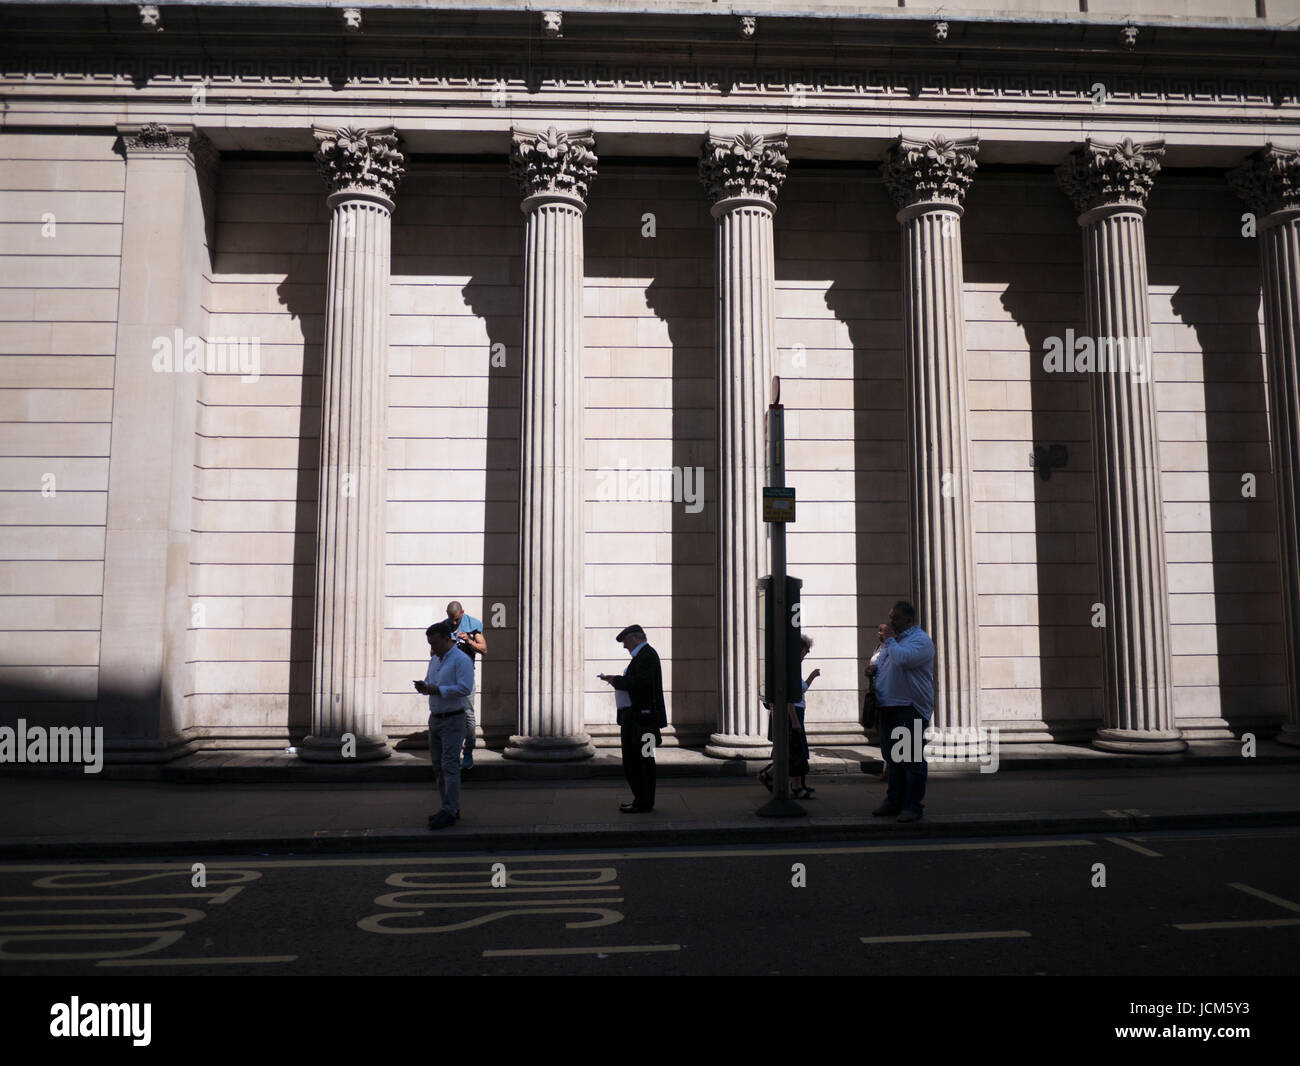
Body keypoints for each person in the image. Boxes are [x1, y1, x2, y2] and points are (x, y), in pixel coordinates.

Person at [866, 601, 934, 822]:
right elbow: (882, 661)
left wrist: (890, 640)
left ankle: (913, 806)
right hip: (889, 707)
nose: (890, 621)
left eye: (895, 618)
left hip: (909, 708)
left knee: (912, 760)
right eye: (890, 616)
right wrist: (874, 667)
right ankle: (894, 801)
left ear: (908, 620)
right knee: (894, 759)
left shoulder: (920, 640)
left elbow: (904, 660)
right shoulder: (894, 641)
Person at [597, 624, 666, 813]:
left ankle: (643, 802)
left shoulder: (646, 656)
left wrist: (615, 680)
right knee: (642, 760)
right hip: (641, 721)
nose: (624, 646)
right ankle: (643, 800)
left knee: (638, 761)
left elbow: (640, 684)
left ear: (636, 638)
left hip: (642, 721)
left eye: (626, 641)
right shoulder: (644, 656)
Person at [414, 621, 474, 829]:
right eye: (430, 643)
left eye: (436, 643)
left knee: (449, 766)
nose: (433, 647)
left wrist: (438, 690)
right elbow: (430, 681)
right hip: (436, 718)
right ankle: (448, 807)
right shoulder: (434, 661)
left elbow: (465, 688)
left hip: (454, 718)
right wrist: (424, 687)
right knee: (438, 767)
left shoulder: (461, 660)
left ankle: (449, 810)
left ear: (449, 639)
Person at [758, 634, 819, 798]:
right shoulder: (789, 667)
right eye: (805, 652)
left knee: (794, 751)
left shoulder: (789, 666)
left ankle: (797, 785)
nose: (806, 656)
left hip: (792, 713)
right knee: (793, 751)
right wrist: (795, 721)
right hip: (792, 714)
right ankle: (773, 777)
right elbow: (789, 699)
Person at [445, 601, 486, 769]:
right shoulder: (443, 627)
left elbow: (484, 649)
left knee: (468, 715)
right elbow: (433, 652)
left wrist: (468, 640)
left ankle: (468, 752)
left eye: (456, 619)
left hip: (466, 678)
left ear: (462, 612)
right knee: (449, 716)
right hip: (448, 678)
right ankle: (452, 752)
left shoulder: (473, 624)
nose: (454, 623)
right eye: (451, 620)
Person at [866, 624, 889, 781]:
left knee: (886, 734)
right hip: (876, 694)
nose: (878, 633)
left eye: (881, 630)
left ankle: (889, 769)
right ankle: (888, 767)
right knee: (881, 731)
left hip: (886, 696)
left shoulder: (890, 649)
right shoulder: (878, 647)